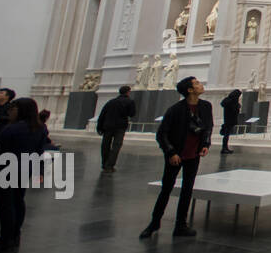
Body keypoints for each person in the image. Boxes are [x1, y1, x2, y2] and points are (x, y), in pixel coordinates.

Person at [140, 76, 212, 240]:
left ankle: (181, 224)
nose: (201, 85)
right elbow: (162, 133)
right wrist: (171, 152)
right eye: (197, 83)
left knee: (187, 190)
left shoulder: (206, 107)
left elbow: (207, 127)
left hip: (193, 154)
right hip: (176, 154)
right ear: (189, 90)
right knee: (166, 189)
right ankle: (154, 223)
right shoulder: (176, 109)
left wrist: (205, 144)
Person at [0, 97, 49, 253]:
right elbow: (39, 151)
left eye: (12, 108)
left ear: (20, 110)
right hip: (24, 169)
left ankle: (5, 240)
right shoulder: (40, 128)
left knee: (6, 206)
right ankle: (15, 235)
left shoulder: (11, 129)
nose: (9, 111)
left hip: (6, 171)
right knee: (18, 201)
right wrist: (38, 170)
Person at [96, 85, 136, 172]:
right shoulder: (130, 102)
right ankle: (110, 165)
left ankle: (104, 163)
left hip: (108, 126)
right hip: (120, 127)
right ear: (128, 92)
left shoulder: (111, 102)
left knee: (105, 145)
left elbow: (102, 114)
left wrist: (99, 127)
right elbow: (132, 114)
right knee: (116, 146)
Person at [219, 88, 241, 154]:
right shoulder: (232, 102)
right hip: (230, 119)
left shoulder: (227, 100)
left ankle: (225, 147)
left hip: (227, 119)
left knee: (226, 134)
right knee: (227, 134)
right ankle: (224, 148)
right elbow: (235, 110)